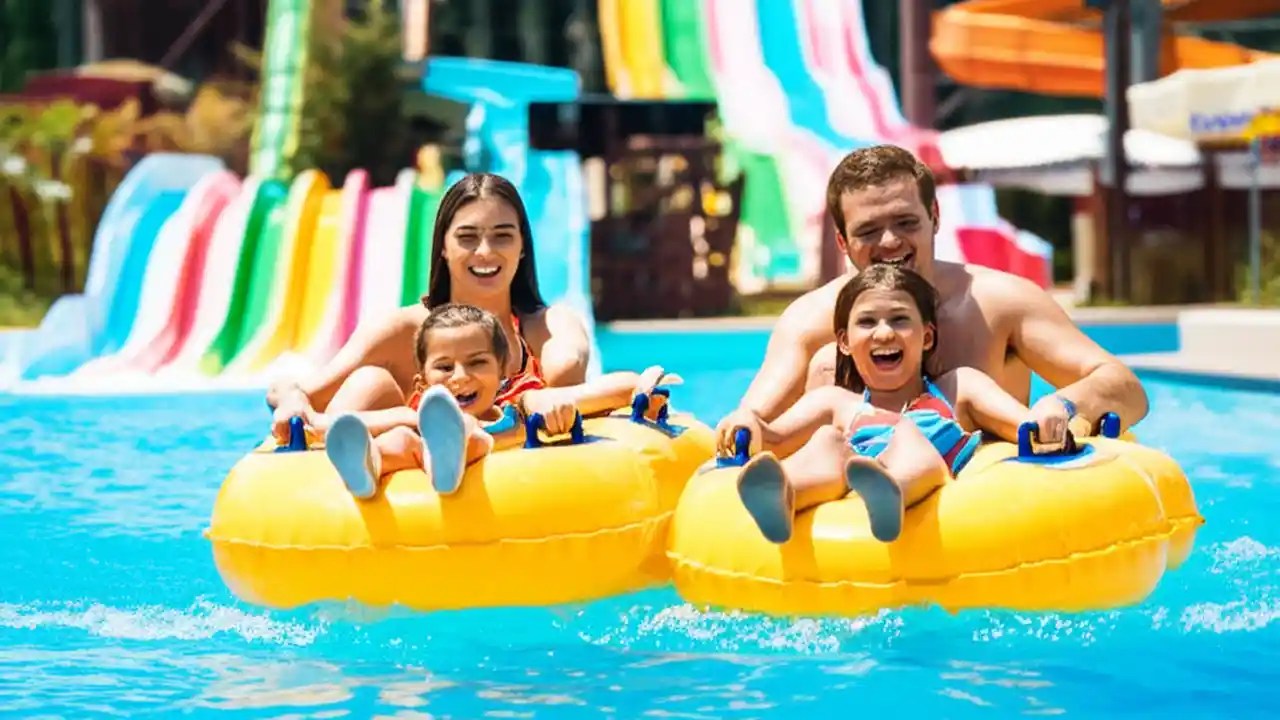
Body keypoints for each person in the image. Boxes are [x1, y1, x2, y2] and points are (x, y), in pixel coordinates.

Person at [715, 145, 1148, 455]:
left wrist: (1064, 404)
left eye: (905, 221)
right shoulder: (811, 322)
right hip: (850, 513)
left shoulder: (1000, 304)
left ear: (935, 218)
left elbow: (1125, 387)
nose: (889, 241)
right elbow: (752, 417)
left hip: (987, 504)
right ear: (843, 241)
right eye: (868, 231)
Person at [720, 265, 1057, 544]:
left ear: (926, 337)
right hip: (859, 475)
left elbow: (1022, 424)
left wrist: (1048, 422)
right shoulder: (836, 403)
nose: (883, 334)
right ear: (845, 343)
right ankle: (785, 492)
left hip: (928, 470)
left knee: (908, 436)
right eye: (867, 322)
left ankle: (893, 488)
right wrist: (748, 422)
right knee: (827, 442)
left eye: (899, 320)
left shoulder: (958, 387)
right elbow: (774, 437)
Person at [267, 172, 593, 445]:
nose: (485, 252)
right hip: (405, 489)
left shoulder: (544, 327)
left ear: (522, 247)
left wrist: (564, 365)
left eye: (502, 237)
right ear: (444, 248)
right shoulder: (406, 330)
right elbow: (299, 393)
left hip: (522, 494)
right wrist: (293, 401)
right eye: (467, 237)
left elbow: (570, 367)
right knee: (369, 382)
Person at [323, 303, 680, 500]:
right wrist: (314, 423)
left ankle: (450, 456)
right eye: (444, 367)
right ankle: (369, 467)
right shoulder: (413, 413)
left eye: (477, 363)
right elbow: (336, 427)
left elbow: (596, 392)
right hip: (420, 450)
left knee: (469, 433)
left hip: (479, 446)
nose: (460, 376)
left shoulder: (520, 407)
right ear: (421, 381)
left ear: (503, 371)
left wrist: (640, 385)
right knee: (397, 440)